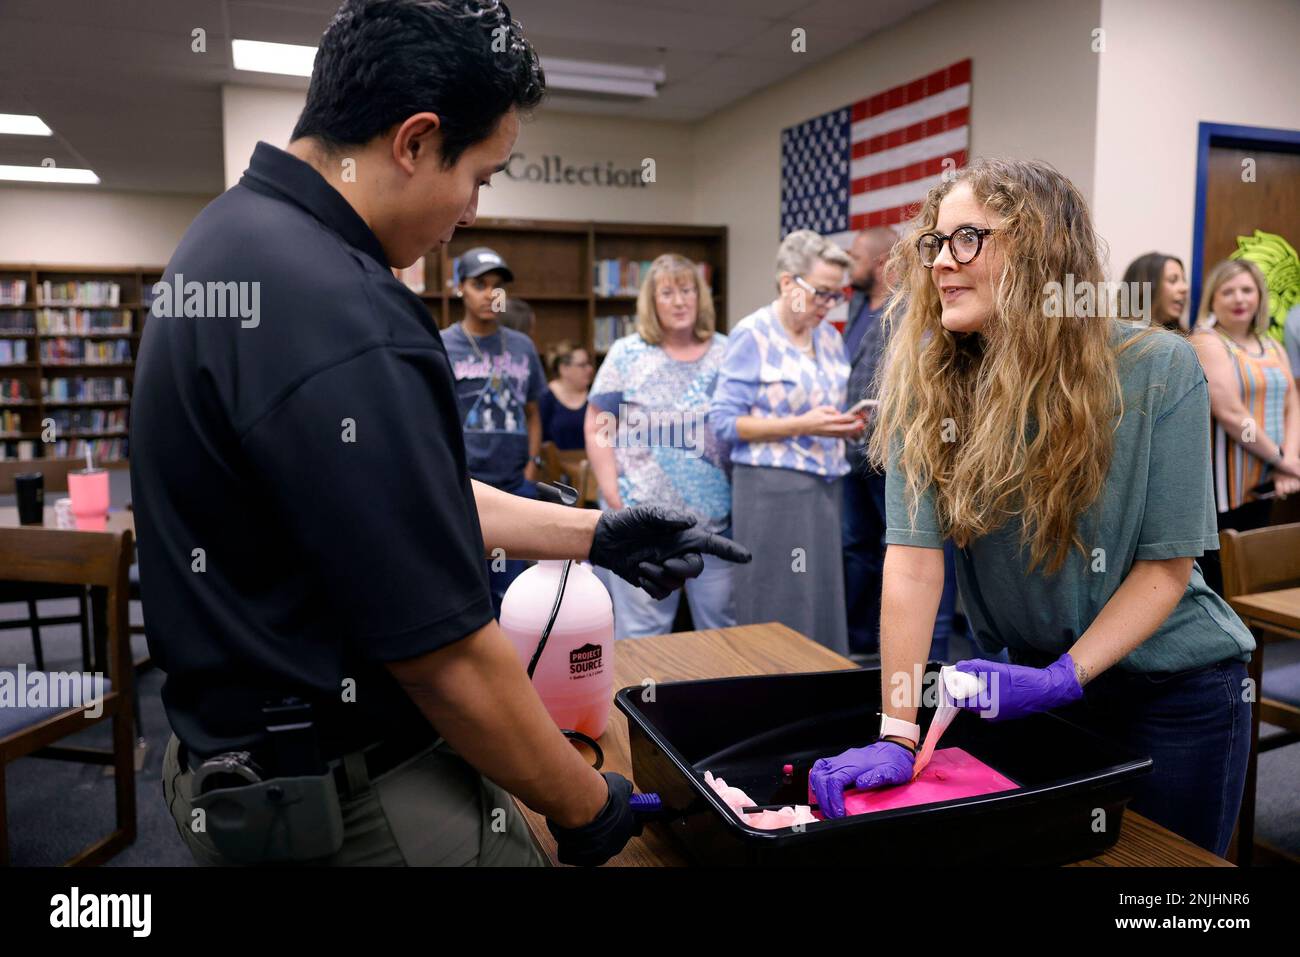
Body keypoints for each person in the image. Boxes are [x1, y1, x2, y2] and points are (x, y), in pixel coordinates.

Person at [130, 0, 748, 869]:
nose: (469, 212)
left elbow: (398, 503)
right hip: (351, 790)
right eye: (482, 177)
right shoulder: (347, 310)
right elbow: (448, 660)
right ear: (417, 142)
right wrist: (585, 804)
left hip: (239, 766)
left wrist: (594, 533)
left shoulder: (231, 239)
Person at [809, 159, 1255, 856]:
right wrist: (896, 728)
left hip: (1171, 691)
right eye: (934, 243)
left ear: (1040, 246)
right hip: (1028, 683)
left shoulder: (1158, 366)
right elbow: (913, 563)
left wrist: (1064, 677)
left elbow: (1166, 569)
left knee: (1169, 885)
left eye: (967, 240)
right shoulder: (932, 385)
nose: (941, 264)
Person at [711, 230, 863, 654]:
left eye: (837, 295)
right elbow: (724, 423)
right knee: (778, 598)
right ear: (787, 283)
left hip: (826, 488)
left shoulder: (830, 339)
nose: (829, 305)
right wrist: (801, 425)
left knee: (821, 600)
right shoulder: (753, 334)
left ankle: (818, 700)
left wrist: (844, 423)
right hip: (770, 490)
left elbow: (824, 408)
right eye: (822, 293)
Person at [586, 254, 735, 639]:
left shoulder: (727, 351)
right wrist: (611, 493)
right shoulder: (626, 353)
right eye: (667, 293)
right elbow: (597, 423)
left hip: (715, 524)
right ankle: (643, 701)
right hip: (641, 523)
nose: (679, 301)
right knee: (642, 636)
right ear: (651, 302)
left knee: (723, 634)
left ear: (701, 297)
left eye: (687, 290)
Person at [441, 246, 548, 613]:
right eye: (479, 284)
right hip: (463, 487)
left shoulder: (522, 347)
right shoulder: (442, 344)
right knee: (468, 597)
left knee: (514, 597)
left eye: (498, 285)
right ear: (459, 288)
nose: (491, 294)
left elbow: (533, 411)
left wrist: (533, 464)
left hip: (516, 486)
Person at [1191, 259, 1300, 591]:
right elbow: (1230, 413)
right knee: (1223, 583)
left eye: (1246, 290)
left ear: (1259, 297)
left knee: (1255, 582)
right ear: (1212, 299)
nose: (1239, 299)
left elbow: (1292, 404)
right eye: (1228, 291)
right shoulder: (1207, 341)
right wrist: (1282, 461)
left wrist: (1288, 464)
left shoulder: (1272, 344)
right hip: (1223, 491)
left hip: (1266, 483)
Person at [540, 340, 591, 451]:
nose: (589, 369)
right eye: (582, 365)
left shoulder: (595, 396)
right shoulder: (545, 398)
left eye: (589, 364)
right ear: (564, 369)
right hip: (553, 466)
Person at [1121, 252, 1189, 330]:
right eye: (1172, 280)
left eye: (1184, 280)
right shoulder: (1119, 336)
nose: (1185, 288)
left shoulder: (1180, 339)